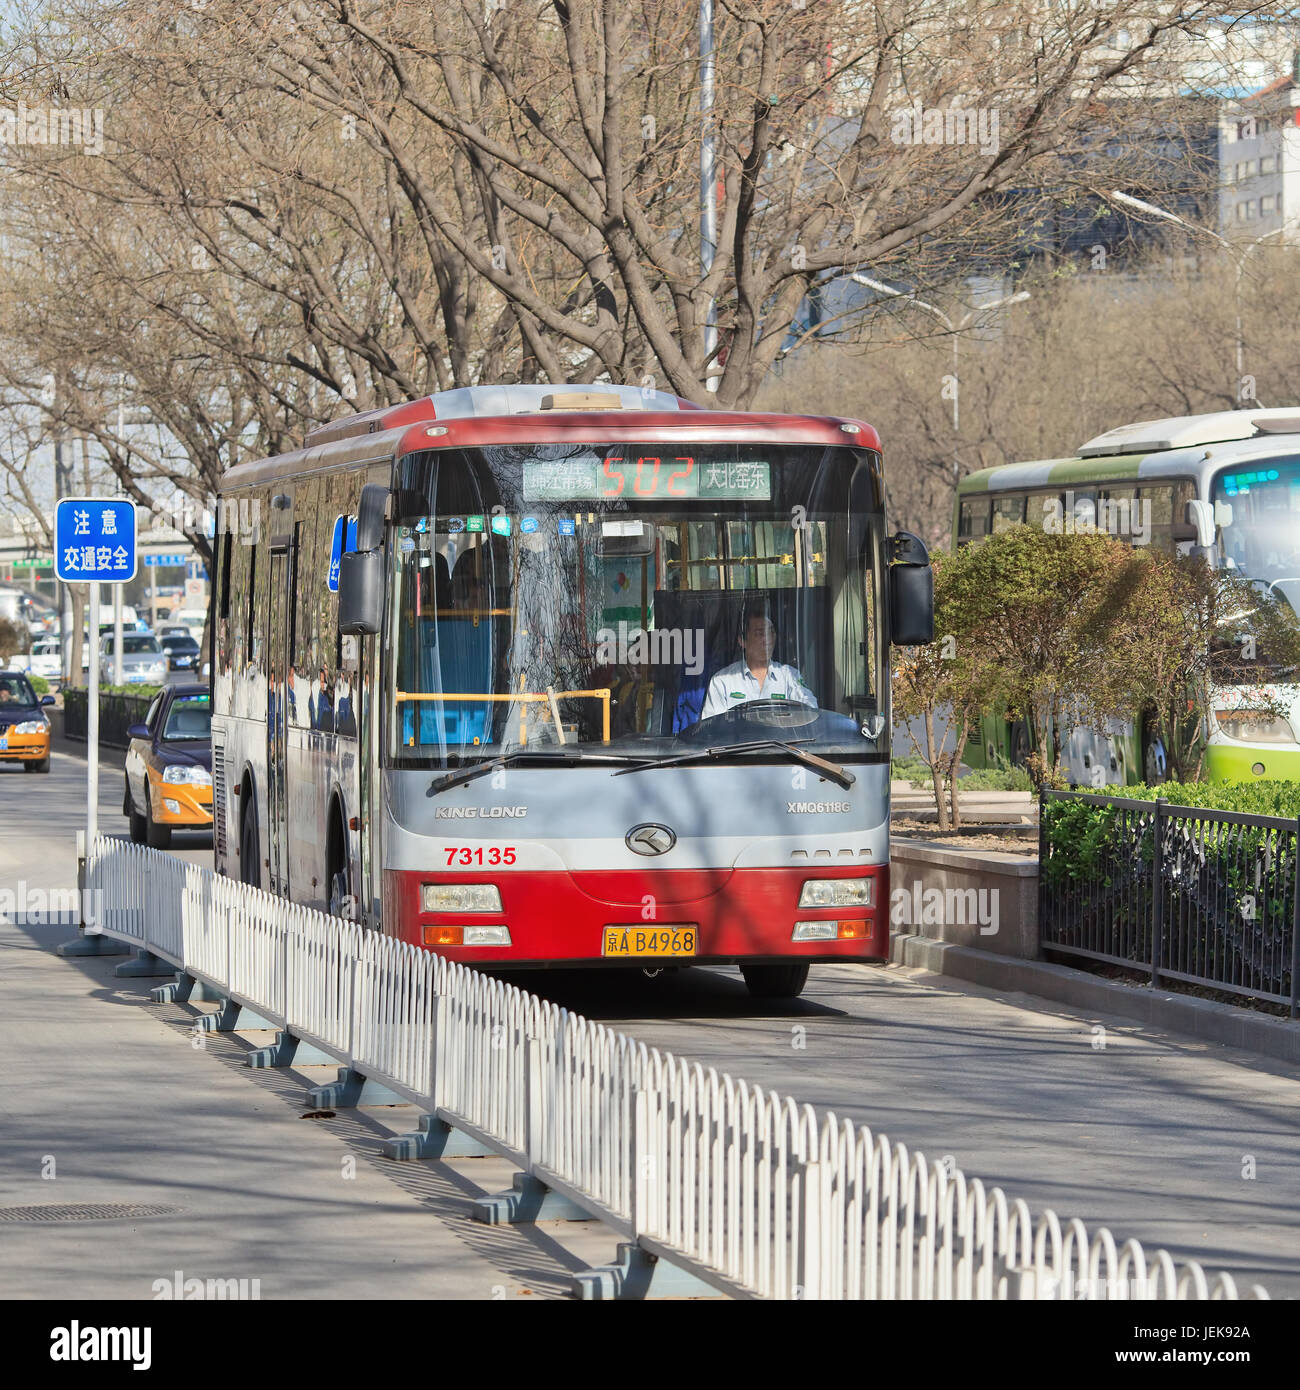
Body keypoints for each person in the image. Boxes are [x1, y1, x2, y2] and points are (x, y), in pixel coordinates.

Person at [700, 608, 817, 720]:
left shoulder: (789, 676)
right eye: (760, 634)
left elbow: (811, 710)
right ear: (742, 641)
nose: (768, 640)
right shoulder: (722, 681)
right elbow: (712, 728)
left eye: (771, 632)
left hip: (781, 740)